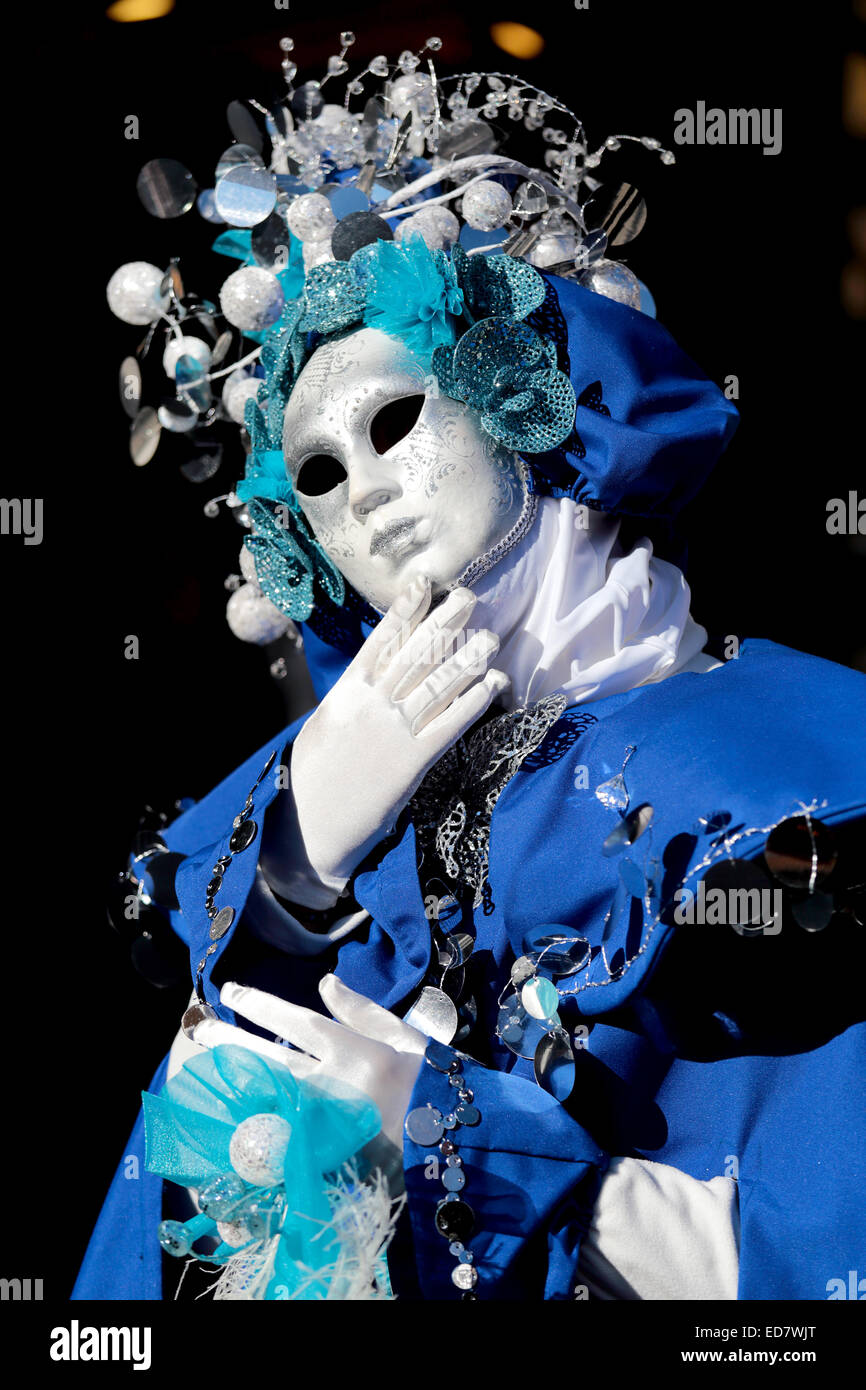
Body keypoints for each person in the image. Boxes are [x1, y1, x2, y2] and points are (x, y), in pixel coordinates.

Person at [75, 44, 866, 1301]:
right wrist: (290, 881)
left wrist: (470, 1142)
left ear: (517, 397)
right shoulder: (319, 813)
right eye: (318, 476)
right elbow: (176, 1258)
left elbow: (798, 1272)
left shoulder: (790, 783)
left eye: (395, 420)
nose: (370, 490)